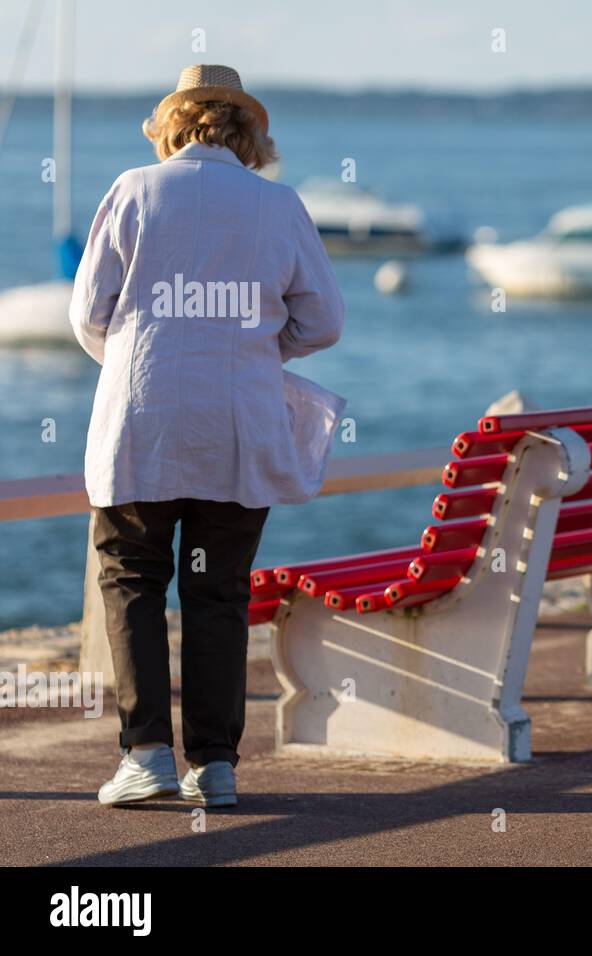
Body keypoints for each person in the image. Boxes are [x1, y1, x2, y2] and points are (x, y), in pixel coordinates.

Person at [70, 65, 345, 808]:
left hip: (141, 422)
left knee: (132, 582)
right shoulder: (278, 204)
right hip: (237, 425)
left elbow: (89, 315)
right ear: (247, 134)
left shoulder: (133, 190)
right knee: (216, 592)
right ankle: (216, 767)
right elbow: (322, 322)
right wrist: (247, 348)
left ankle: (147, 755)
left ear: (173, 127)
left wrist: (142, 354)